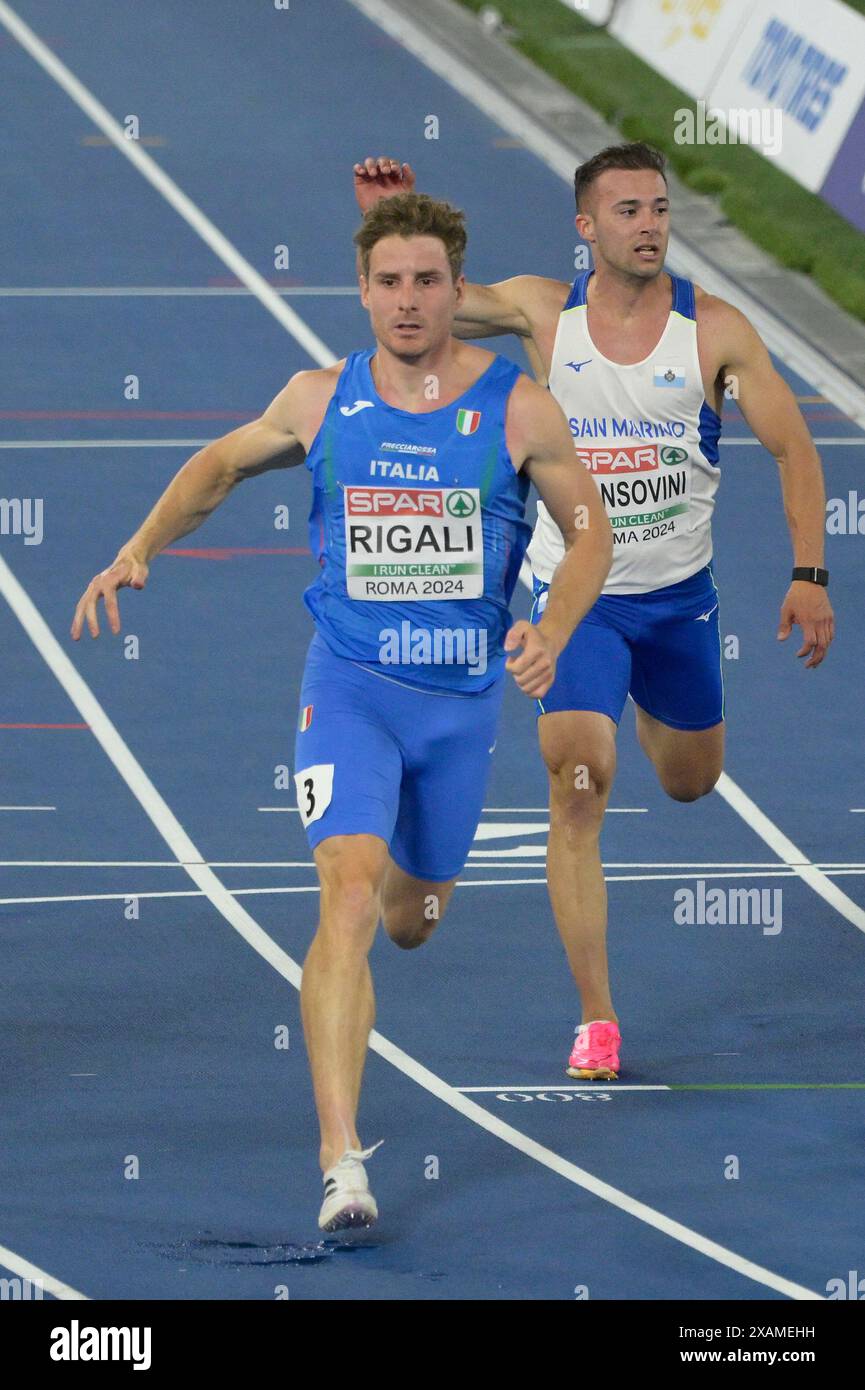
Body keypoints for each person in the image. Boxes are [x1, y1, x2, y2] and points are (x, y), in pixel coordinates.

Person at [71, 192, 612, 1230]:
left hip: (458, 706)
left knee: (410, 919)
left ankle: (404, 929)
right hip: (350, 691)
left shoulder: (518, 408)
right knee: (350, 901)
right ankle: (340, 1159)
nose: (407, 301)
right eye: (388, 282)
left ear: (459, 289)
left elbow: (588, 529)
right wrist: (140, 545)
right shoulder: (321, 399)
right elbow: (221, 463)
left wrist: (554, 622)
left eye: (426, 281)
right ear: (361, 291)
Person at [354, 144, 835, 1081]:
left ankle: (654, 710)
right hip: (574, 602)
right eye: (627, 212)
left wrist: (808, 572)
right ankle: (597, 1019)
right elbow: (428, 297)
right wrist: (403, 211)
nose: (648, 225)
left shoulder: (715, 333)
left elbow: (794, 449)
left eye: (658, 209)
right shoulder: (543, 312)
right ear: (586, 228)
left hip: (678, 606)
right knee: (579, 780)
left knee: (692, 780)